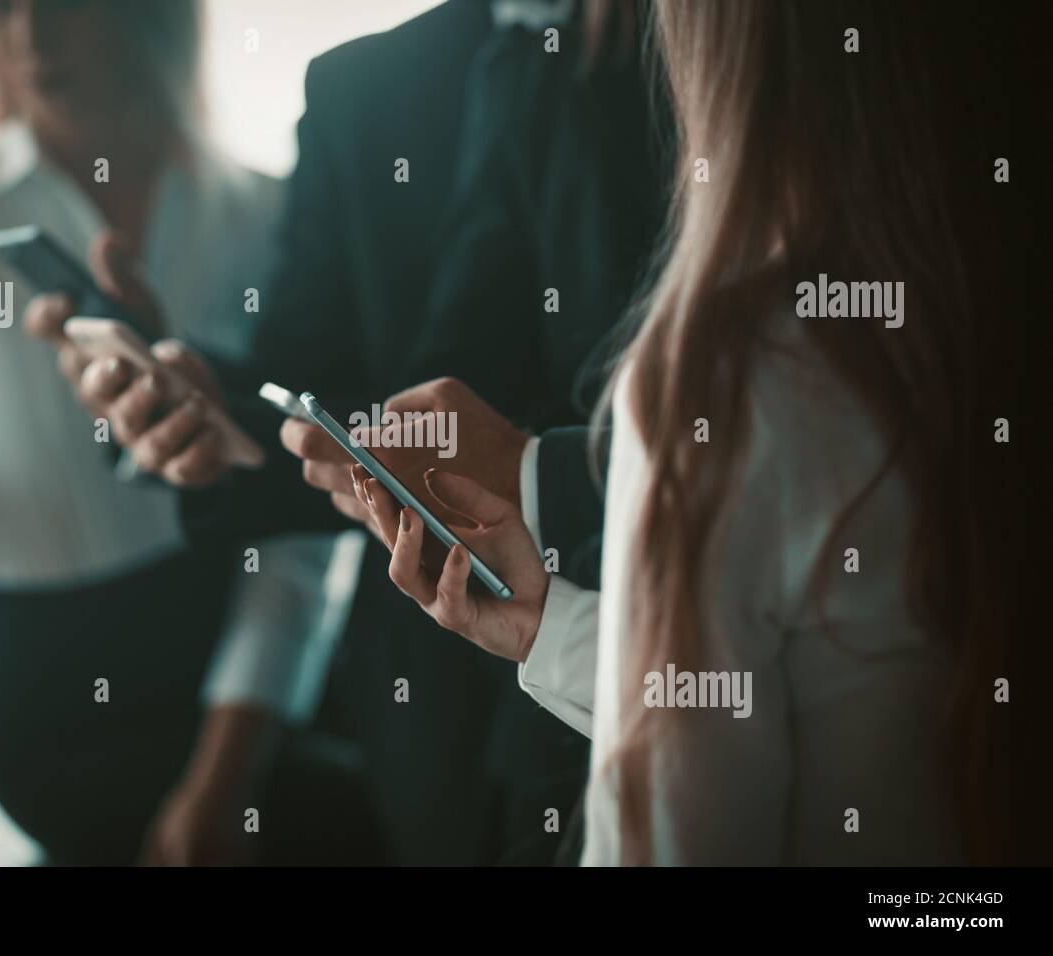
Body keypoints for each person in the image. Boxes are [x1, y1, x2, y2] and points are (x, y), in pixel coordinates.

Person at [311, 0, 1040, 864]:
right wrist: (554, 631)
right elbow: (826, 709)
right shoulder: (976, 312)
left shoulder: (732, 373)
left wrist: (553, 485)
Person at [34, 0, 668, 864]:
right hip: (429, 697)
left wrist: (537, 474)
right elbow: (316, 384)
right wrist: (204, 406)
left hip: (672, 649)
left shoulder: (725, 51)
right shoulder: (358, 86)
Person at [0, 0, 347, 865]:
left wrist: (223, 777)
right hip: (43, 731)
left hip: (253, 695)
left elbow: (302, 521)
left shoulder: (268, 214)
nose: (28, 37)